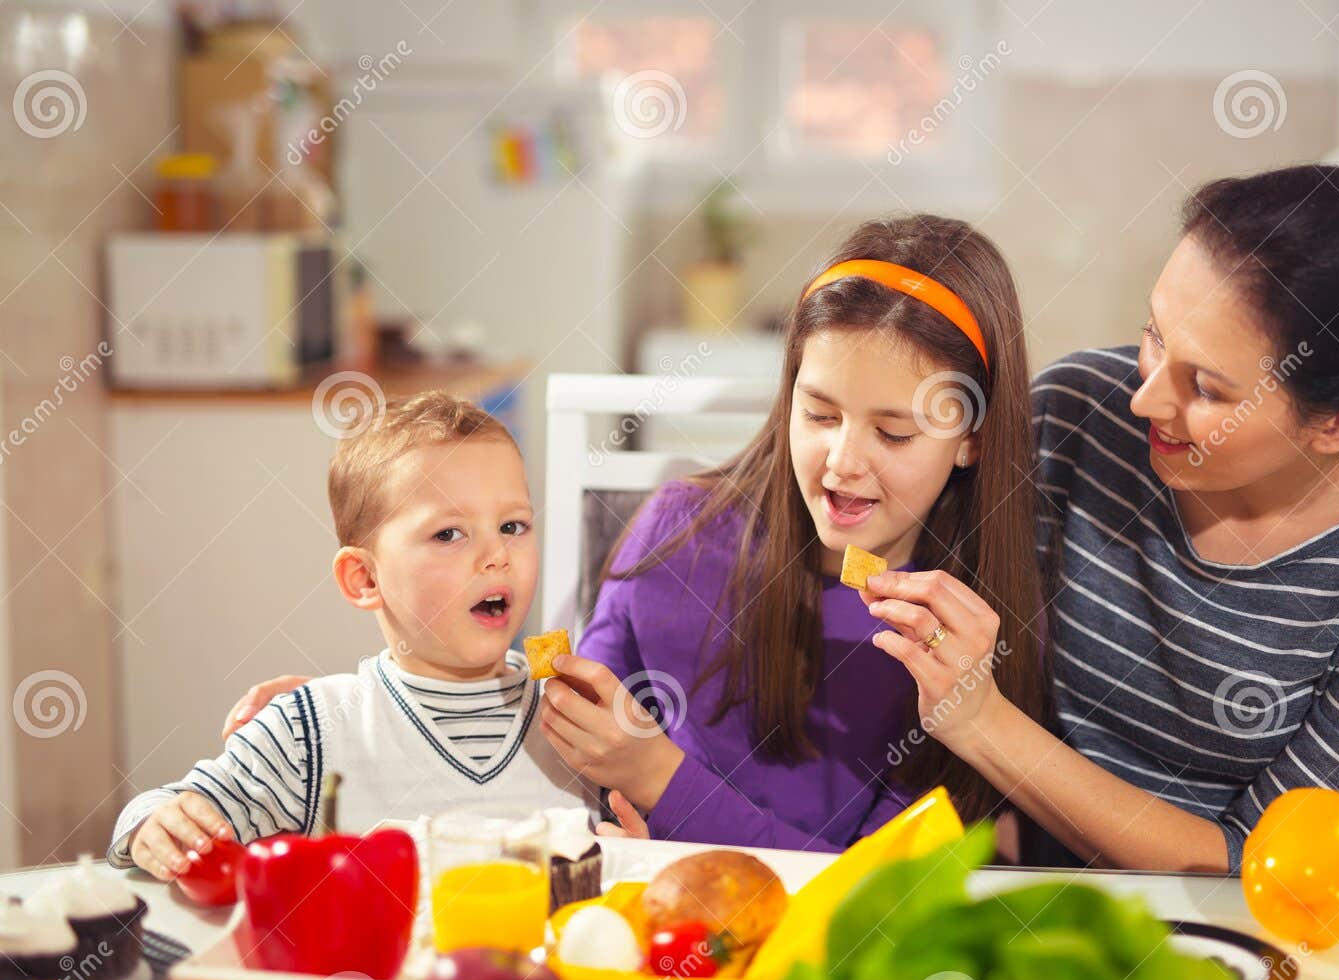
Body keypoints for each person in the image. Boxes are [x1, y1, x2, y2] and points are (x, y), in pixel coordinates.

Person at [864, 165, 1339, 886]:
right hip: (1112, 900)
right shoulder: (1075, 417)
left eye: (1208, 387)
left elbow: (1262, 863)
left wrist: (982, 723)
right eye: (1154, 335)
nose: (1144, 399)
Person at [223, 215, 1049, 853]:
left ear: (971, 435)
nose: (842, 463)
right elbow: (562, 721)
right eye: (819, 412)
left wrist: (662, 777)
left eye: (895, 434)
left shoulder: (964, 641)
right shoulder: (680, 533)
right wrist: (369, 707)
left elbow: (880, 906)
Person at [109, 391, 587, 879]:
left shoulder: (580, 720)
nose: (497, 554)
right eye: (449, 534)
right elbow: (167, 807)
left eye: (513, 525)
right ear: (365, 579)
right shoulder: (310, 730)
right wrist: (155, 823)